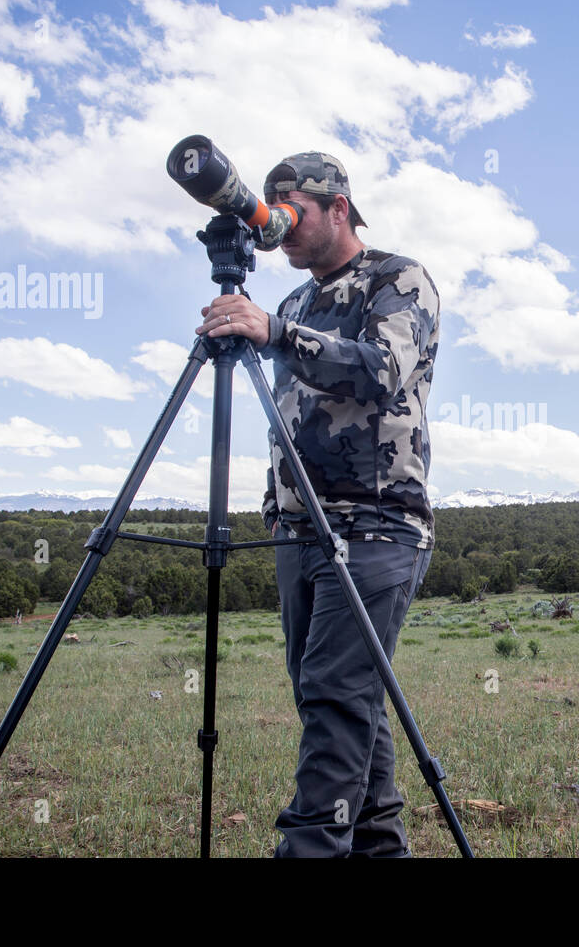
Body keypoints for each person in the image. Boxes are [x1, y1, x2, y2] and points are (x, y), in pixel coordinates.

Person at [194, 151, 439, 857]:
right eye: (274, 213)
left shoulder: (399, 279)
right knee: (339, 702)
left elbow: (382, 372)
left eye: (295, 211)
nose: (283, 228)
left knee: (335, 702)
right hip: (301, 533)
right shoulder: (297, 302)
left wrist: (271, 332)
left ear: (339, 208)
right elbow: (288, 412)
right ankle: (379, 849)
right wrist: (275, 509)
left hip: (377, 524)